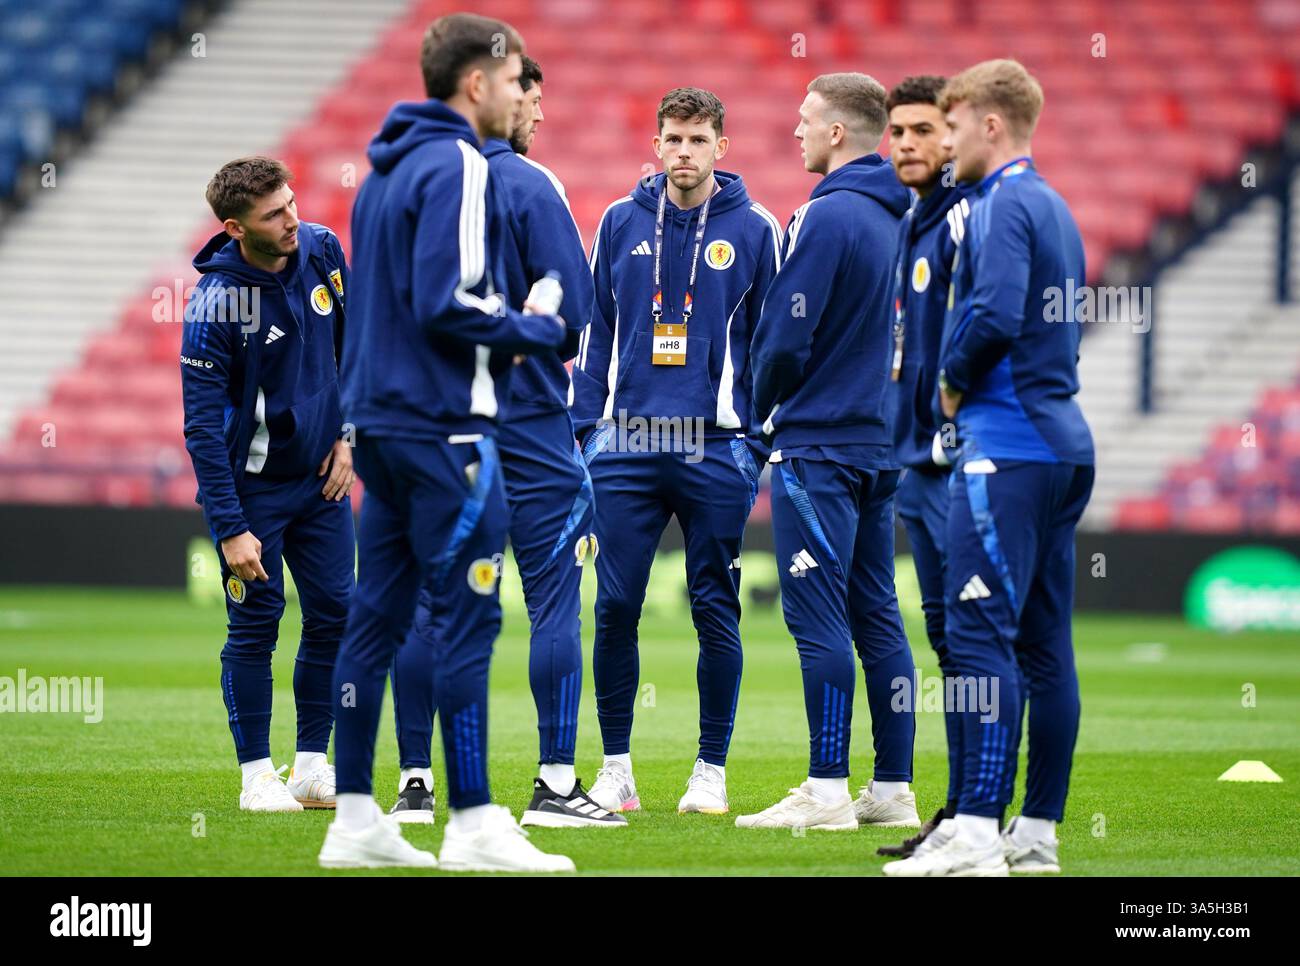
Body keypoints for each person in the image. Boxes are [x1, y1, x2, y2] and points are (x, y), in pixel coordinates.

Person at [317, 13, 573, 872]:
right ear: (477, 83)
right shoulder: (461, 161)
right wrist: (537, 325)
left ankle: (355, 817)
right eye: (512, 81)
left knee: (376, 619)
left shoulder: (380, 171)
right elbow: (445, 302)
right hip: (447, 433)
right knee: (467, 619)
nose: (520, 96)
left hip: (382, 432)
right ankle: (472, 821)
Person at [386, 56, 622, 828]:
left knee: (427, 603)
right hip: (527, 427)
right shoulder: (529, 185)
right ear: (493, 95)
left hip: (436, 426)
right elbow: (573, 320)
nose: (538, 112)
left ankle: (416, 785)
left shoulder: (405, 182)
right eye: (529, 94)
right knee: (554, 599)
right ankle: (555, 787)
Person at [883, 59, 1094, 877]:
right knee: (1046, 645)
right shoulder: (1056, 206)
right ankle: (1035, 832)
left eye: (955, 124)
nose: (948, 140)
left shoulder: (1001, 201)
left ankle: (973, 832)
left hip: (1005, 447)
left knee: (977, 638)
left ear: (989, 124)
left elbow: (996, 310)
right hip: (1062, 441)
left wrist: (948, 383)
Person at [571, 87, 782, 815]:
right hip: (627, 445)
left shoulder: (756, 229)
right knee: (614, 607)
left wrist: (756, 440)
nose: (683, 153)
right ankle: (617, 770)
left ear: (722, 148)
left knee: (713, 607)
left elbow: (775, 345)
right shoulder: (617, 221)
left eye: (697, 140)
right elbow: (596, 328)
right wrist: (582, 430)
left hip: (715, 447)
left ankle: (710, 771)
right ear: (656, 144)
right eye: (672, 139)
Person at [739, 73, 918, 831]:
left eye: (806, 118)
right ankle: (894, 787)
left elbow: (785, 332)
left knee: (817, 618)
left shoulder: (826, 215)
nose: (796, 129)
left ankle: (826, 788)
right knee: (877, 611)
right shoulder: (904, 216)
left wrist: (757, 408)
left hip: (818, 445)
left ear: (839, 132)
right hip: (879, 444)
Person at [181, 156, 354, 814]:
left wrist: (347, 436)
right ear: (234, 228)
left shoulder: (322, 250)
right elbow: (200, 429)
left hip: (320, 483)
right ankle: (257, 775)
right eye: (273, 214)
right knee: (256, 624)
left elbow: (353, 348)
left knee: (336, 613)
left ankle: (310, 767)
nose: (292, 219)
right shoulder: (215, 307)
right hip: (251, 492)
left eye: (291, 203)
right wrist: (229, 529)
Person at [876, 75, 974, 858]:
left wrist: (951, 413)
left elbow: (1006, 325)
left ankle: (982, 816)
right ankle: (959, 813)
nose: (905, 144)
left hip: (959, 464)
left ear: (956, 134)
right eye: (896, 131)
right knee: (945, 639)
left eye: (921, 130)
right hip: (917, 462)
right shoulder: (918, 218)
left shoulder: (972, 218)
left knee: (974, 642)